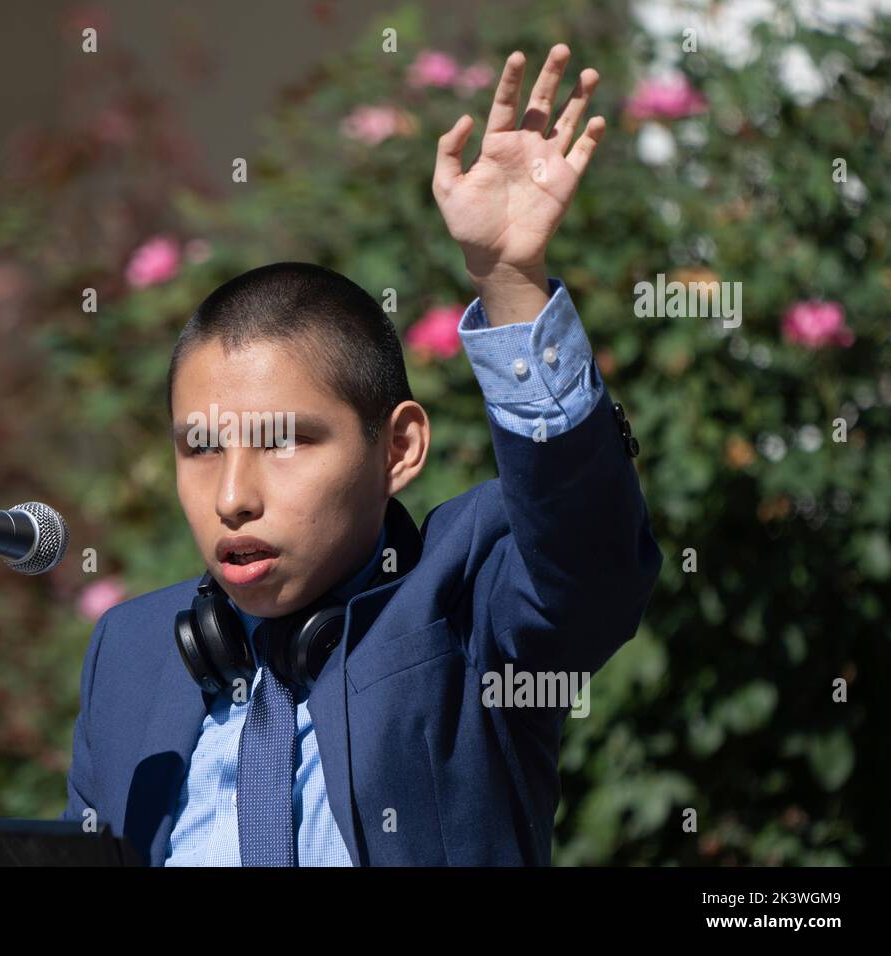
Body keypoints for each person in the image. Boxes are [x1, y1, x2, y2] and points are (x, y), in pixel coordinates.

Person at [61, 44, 662, 866]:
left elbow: (588, 568)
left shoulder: (469, 595)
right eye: (200, 449)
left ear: (400, 447)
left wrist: (511, 281)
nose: (233, 494)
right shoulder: (129, 654)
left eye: (284, 443)